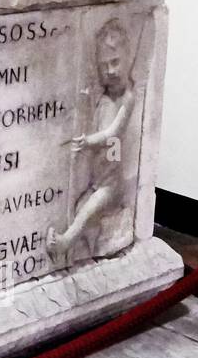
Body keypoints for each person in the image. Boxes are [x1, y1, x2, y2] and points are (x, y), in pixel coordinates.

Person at [47, 20, 136, 260]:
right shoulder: (105, 96)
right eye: (104, 65)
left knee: (87, 210)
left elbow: (113, 133)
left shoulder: (127, 98)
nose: (110, 71)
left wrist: (88, 141)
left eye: (115, 62)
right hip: (97, 179)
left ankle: (65, 242)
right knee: (80, 208)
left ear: (129, 56)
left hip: (110, 184)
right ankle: (88, 248)